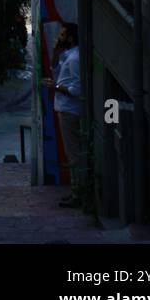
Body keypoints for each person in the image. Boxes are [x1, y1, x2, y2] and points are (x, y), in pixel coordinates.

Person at [44, 23, 82, 206]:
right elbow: (56, 69)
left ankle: (78, 193)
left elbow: (76, 89)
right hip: (64, 107)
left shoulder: (75, 59)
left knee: (73, 152)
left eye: (62, 34)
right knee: (71, 152)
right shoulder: (68, 56)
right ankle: (76, 191)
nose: (59, 37)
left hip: (70, 109)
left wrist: (56, 87)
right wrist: (56, 50)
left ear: (71, 37)